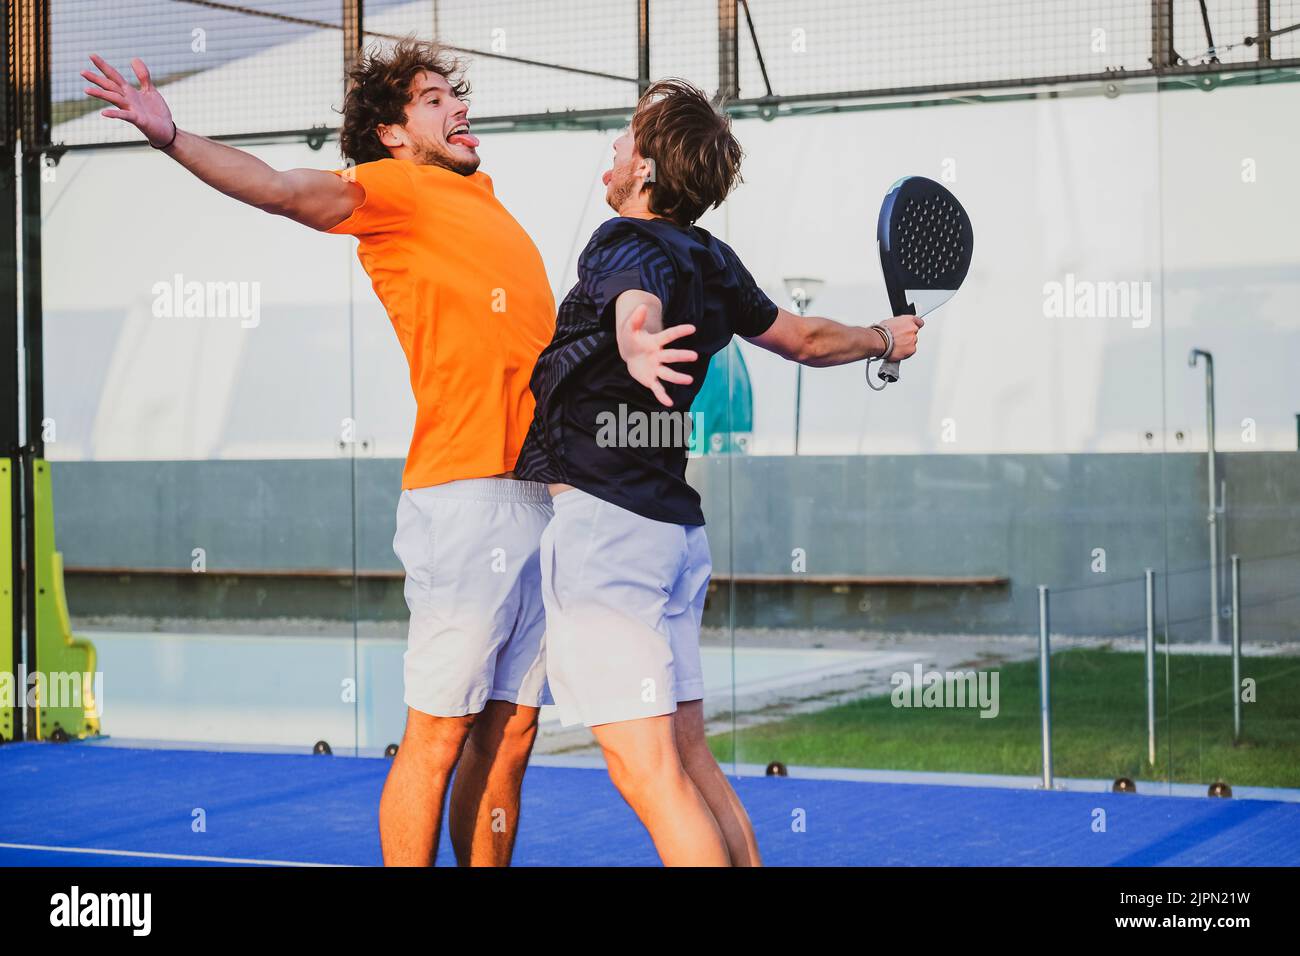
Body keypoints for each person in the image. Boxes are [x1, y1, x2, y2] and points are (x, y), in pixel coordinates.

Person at [83, 40, 557, 867]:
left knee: (513, 730)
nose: (459, 109)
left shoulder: (484, 199)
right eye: (435, 100)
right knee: (438, 734)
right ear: (393, 132)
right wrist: (171, 135)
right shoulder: (392, 188)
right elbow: (279, 191)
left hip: (542, 495)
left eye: (457, 96)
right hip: (465, 494)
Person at [515, 79, 923, 866]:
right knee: (690, 761)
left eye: (627, 138)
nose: (613, 146)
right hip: (672, 539)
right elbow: (802, 338)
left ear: (648, 173)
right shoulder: (710, 259)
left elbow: (635, 300)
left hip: (607, 536)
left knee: (651, 774)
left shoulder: (619, 242)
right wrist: (881, 336)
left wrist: (636, 338)